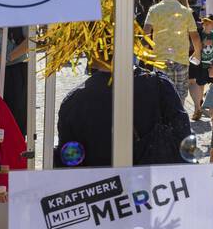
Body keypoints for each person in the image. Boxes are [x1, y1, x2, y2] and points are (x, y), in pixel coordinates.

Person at [55, 62, 191, 167]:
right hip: (153, 188)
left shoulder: (74, 100)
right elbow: (184, 139)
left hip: (101, 194)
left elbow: (68, 161)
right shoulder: (159, 85)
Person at [143, 0, 201, 106]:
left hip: (160, 58)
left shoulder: (154, 9)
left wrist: (145, 51)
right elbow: (194, 35)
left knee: (162, 91)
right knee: (180, 92)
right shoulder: (185, 11)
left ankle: (165, 120)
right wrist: (197, 52)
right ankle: (178, 118)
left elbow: (146, 31)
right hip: (181, 58)